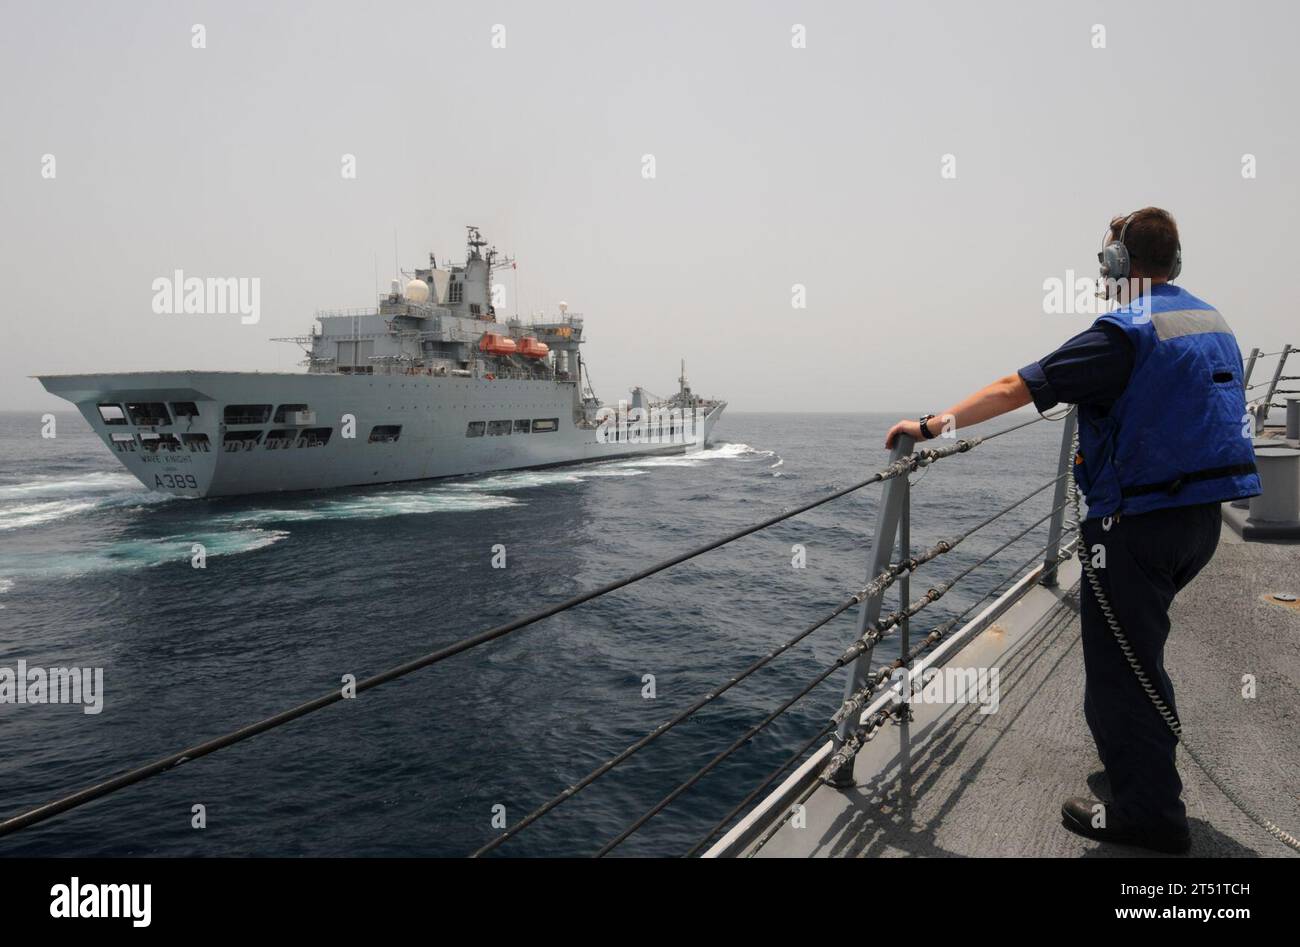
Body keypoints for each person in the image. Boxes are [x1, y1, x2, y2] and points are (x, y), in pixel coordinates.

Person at [884, 207, 1260, 854]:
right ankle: (1136, 772)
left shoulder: (1121, 333)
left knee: (1120, 674)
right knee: (1141, 655)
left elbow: (1014, 388)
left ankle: (1150, 815)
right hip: (1202, 520)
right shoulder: (1212, 320)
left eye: (1105, 260)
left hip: (1139, 529)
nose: (1100, 273)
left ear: (1120, 264)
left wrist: (928, 426)